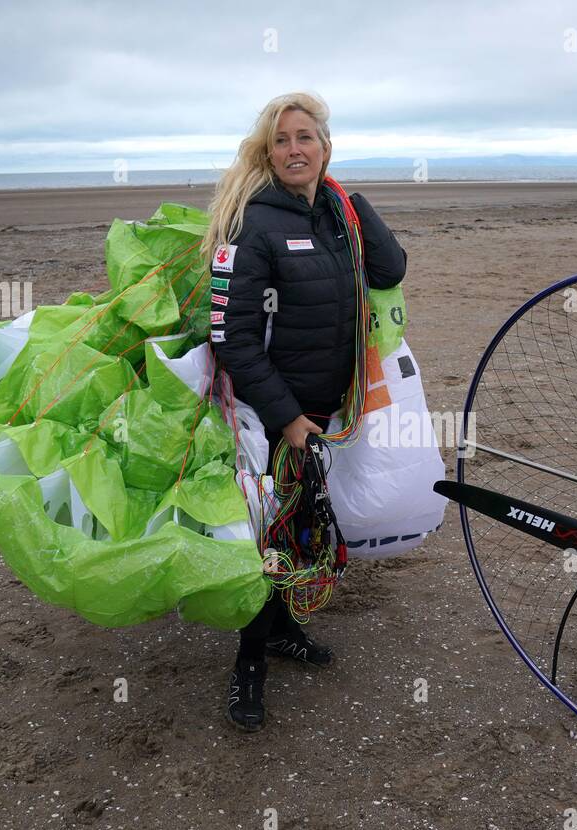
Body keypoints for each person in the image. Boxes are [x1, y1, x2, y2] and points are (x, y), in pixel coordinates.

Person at [197, 92, 408, 732]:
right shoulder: (253, 225)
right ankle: (249, 666)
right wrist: (287, 417)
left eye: (306, 138)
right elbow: (230, 337)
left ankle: (286, 631)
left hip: (326, 409)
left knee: (303, 526)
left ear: (325, 148)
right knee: (268, 539)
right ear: (268, 152)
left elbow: (392, 266)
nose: (295, 149)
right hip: (272, 414)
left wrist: (350, 200)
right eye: (283, 140)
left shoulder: (339, 215)